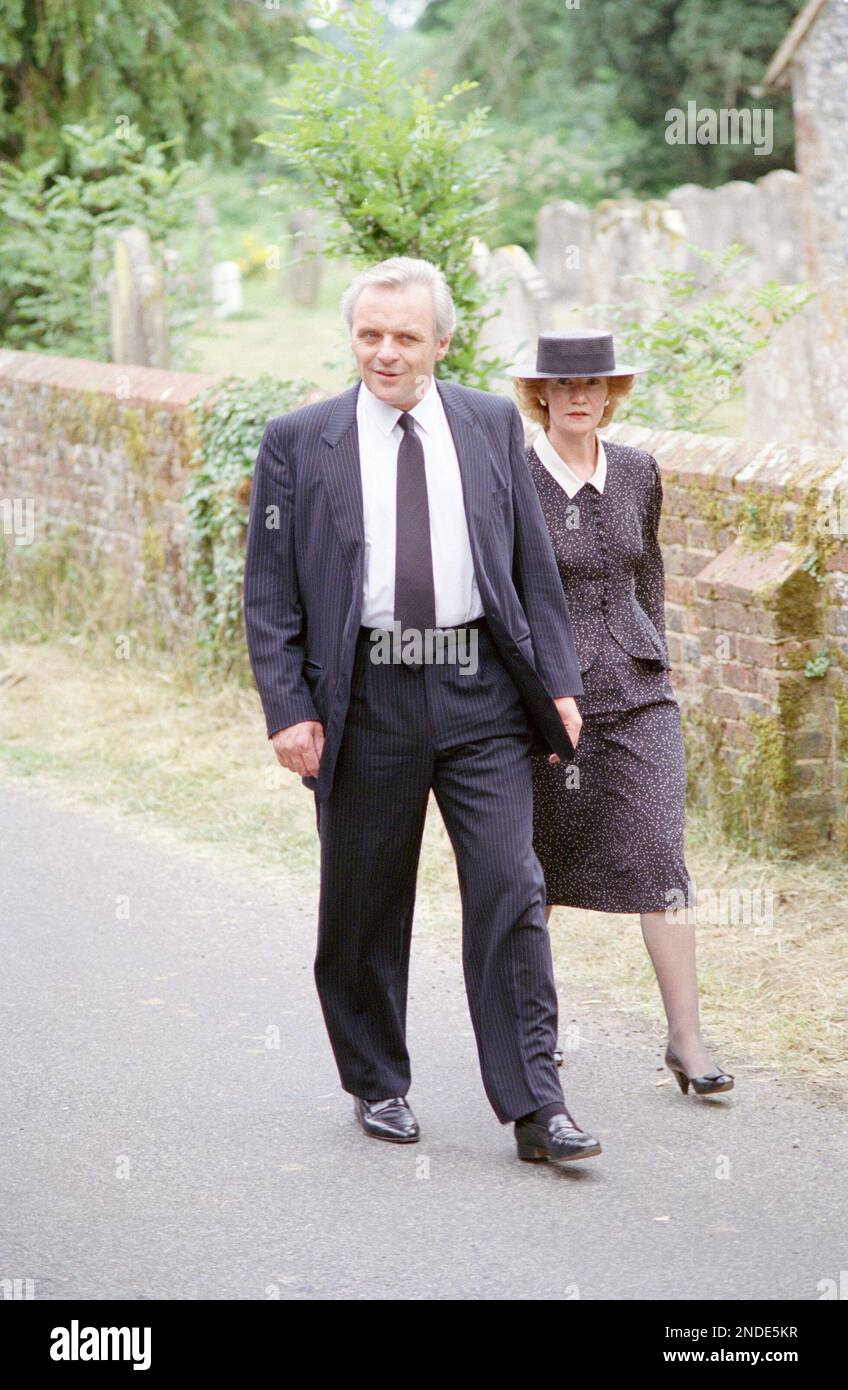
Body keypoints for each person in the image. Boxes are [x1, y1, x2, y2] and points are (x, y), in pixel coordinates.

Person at [243, 258, 603, 1164]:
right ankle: (378, 1080)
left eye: (406, 337)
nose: (386, 353)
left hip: (481, 690)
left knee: (511, 890)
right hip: (365, 699)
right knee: (364, 903)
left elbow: (531, 564)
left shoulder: (488, 424)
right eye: (370, 335)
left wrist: (557, 681)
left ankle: (536, 1106)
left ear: (442, 342)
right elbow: (270, 593)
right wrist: (289, 707)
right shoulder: (298, 441)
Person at [510, 330, 734, 1099]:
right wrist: (531, 698)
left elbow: (650, 578)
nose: (579, 396)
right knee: (532, 873)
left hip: (641, 699)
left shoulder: (639, 472)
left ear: (610, 393)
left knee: (659, 859)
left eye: (594, 384)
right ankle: (535, 1039)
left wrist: (658, 663)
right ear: (540, 393)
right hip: (547, 709)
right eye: (563, 385)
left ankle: (688, 1042)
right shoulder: (510, 475)